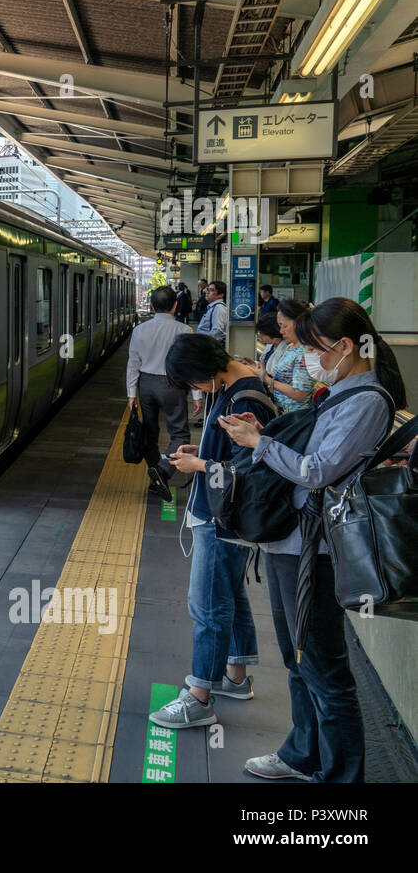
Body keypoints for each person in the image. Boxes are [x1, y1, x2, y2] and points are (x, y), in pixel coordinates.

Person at [220, 298, 406, 783]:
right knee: (297, 656)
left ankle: (341, 776)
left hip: (318, 551)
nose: (307, 358)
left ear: (345, 347)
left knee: (324, 668)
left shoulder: (367, 401)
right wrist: (264, 437)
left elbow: (318, 472)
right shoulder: (338, 391)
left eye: (314, 348)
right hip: (292, 544)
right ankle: (303, 753)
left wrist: (258, 445)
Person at [150, 333, 278, 730]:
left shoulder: (243, 399)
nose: (194, 389)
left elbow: (251, 469)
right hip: (226, 517)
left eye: (192, 381)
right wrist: (200, 456)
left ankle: (199, 696)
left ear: (205, 371)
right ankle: (235, 677)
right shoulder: (237, 387)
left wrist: (202, 468)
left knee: (206, 607)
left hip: (222, 519)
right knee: (230, 596)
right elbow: (234, 454)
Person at [126, 286, 197, 501]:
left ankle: (157, 474)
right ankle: (163, 471)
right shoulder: (185, 331)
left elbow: (133, 363)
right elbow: (189, 365)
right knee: (180, 434)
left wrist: (131, 393)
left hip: (146, 384)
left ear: (152, 306)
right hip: (173, 385)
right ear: (176, 306)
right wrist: (197, 395)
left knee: (149, 432)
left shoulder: (140, 330)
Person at [259, 299, 315, 412]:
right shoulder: (291, 347)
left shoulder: (304, 352)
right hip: (283, 410)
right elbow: (286, 375)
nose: (281, 331)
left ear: (298, 323)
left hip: (295, 416)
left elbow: (300, 394)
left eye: (284, 326)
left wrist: (267, 379)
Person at [198, 280, 228, 346]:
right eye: (208, 289)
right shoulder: (213, 307)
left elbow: (217, 332)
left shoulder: (219, 308)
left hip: (211, 345)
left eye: (211, 290)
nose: (207, 292)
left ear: (220, 295)